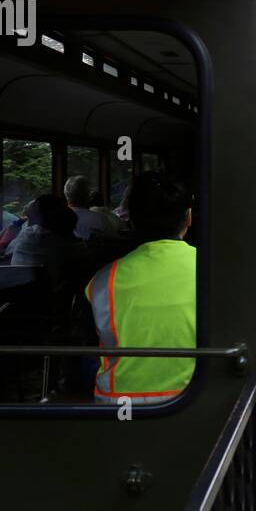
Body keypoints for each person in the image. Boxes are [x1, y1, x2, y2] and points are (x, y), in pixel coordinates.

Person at [84, 173, 196, 404]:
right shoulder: (212, 269)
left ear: (132, 220)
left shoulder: (102, 280)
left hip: (116, 406)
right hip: (194, 399)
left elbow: (89, 345)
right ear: (188, 218)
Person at [5, 194, 87, 283]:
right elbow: (83, 256)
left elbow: (8, 251)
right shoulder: (61, 243)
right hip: (51, 293)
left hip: (17, 289)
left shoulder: (27, 233)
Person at [63, 175, 116, 240]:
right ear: (87, 196)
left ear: (66, 194)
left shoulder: (57, 220)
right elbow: (115, 240)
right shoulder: (100, 219)